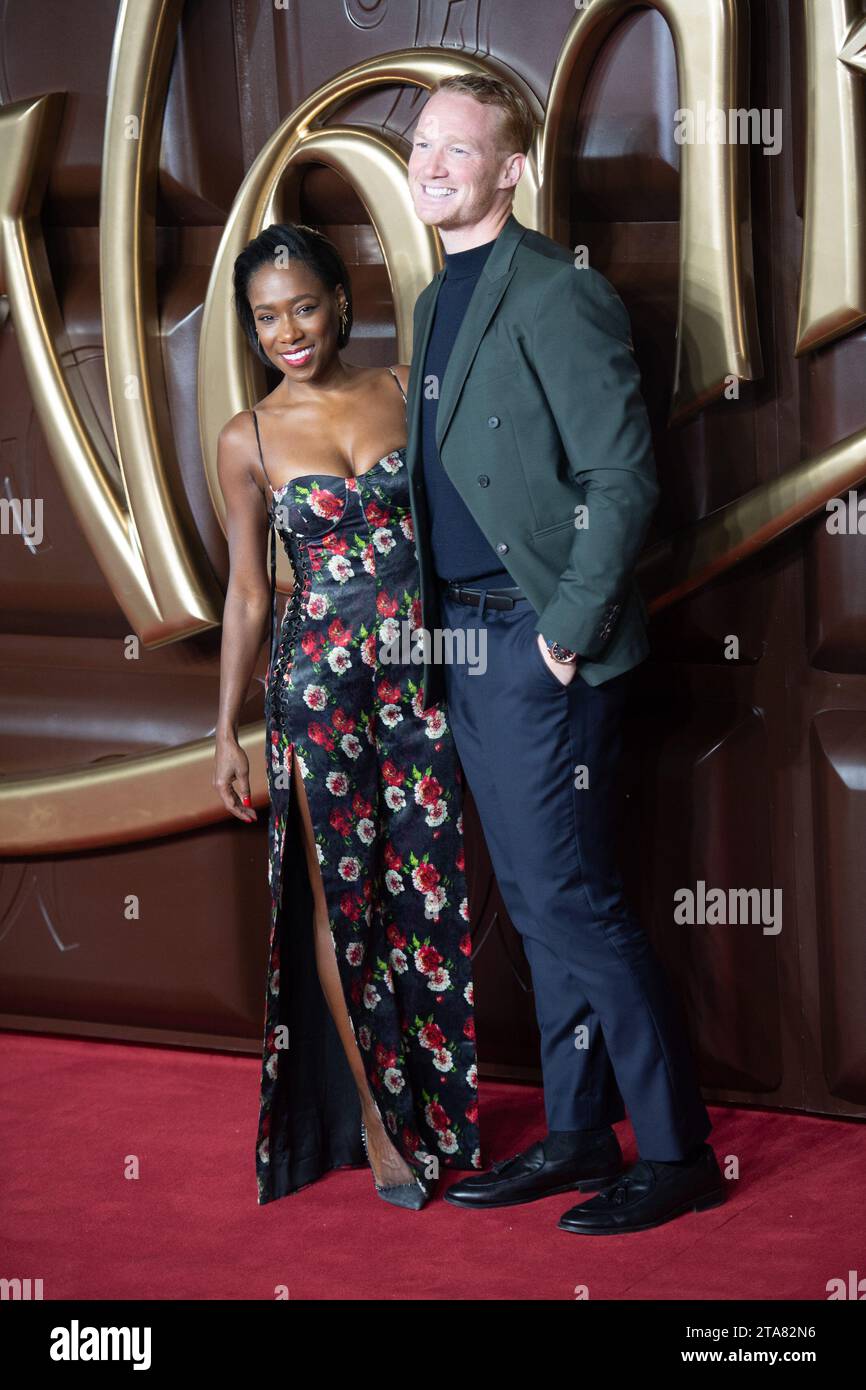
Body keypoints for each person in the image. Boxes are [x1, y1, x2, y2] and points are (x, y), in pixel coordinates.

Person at [403, 73, 726, 1233]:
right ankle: (582, 1132)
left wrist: (559, 634)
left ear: (510, 168)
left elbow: (621, 477)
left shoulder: (554, 292)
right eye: (422, 145)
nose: (431, 164)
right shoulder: (434, 294)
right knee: (538, 910)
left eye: (458, 148)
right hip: (463, 638)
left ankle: (677, 1149)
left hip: (539, 646)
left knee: (575, 901)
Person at [213, 223, 481, 1210]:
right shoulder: (244, 436)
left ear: (340, 300)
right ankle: (374, 1113)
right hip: (315, 690)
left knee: (430, 889)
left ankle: (443, 1112)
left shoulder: (400, 386)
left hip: (418, 667)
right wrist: (222, 731)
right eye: (265, 316)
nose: (287, 331)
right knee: (344, 901)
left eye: (304, 306)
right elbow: (248, 594)